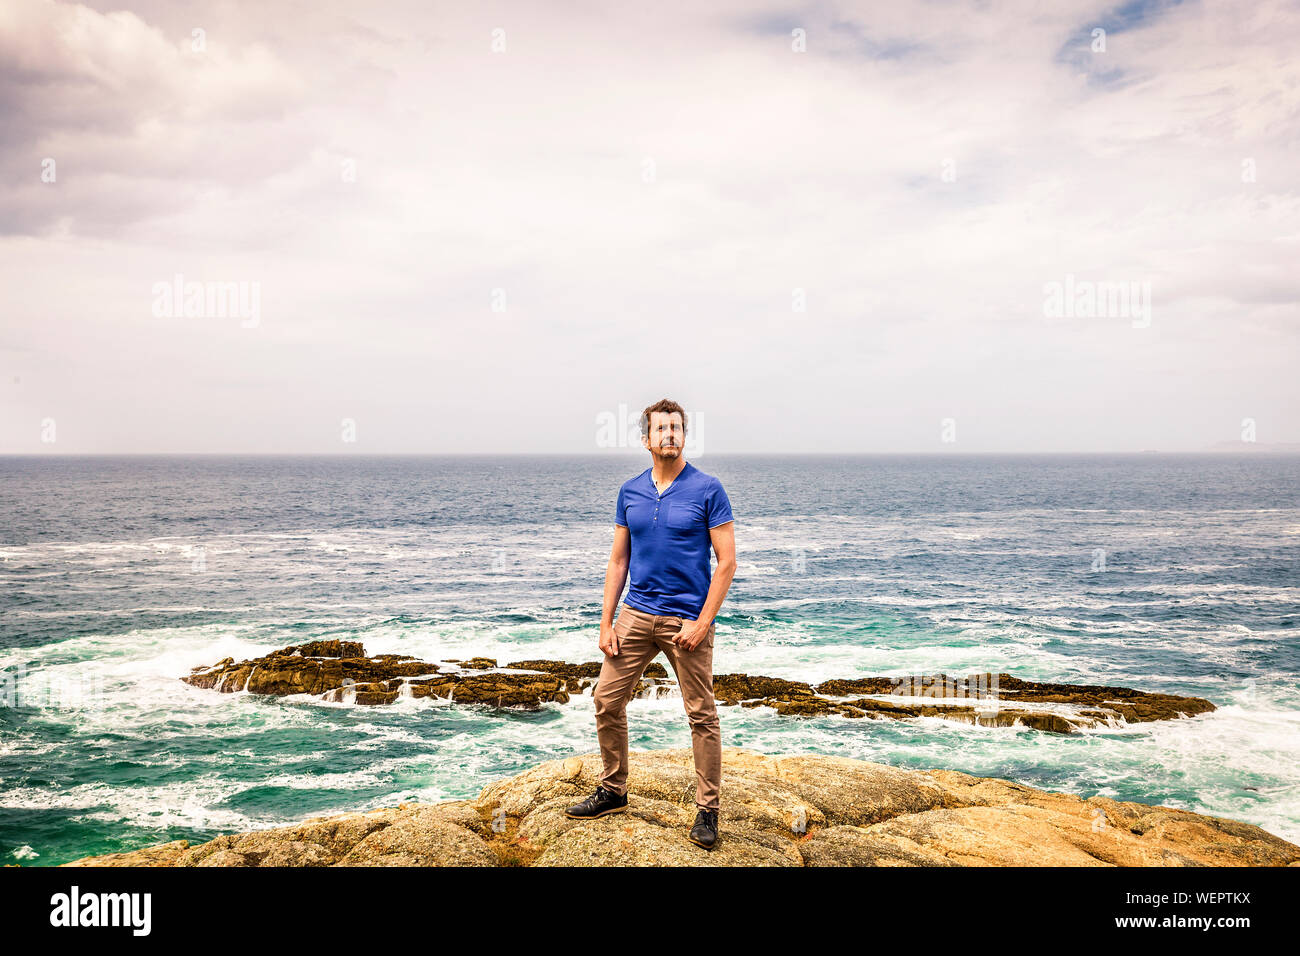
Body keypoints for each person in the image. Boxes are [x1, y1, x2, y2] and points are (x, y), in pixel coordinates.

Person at [565, 398, 737, 850]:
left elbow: (726, 563)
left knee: (701, 714)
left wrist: (702, 623)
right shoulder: (631, 492)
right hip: (636, 615)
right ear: (646, 439)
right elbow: (618, 560)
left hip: (687, 620)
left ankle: (708, 811)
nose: (669, 435)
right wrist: (606, 624)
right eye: (660, 429)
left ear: (685, 435)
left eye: (676, 428)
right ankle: (613, 790)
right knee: (605, 700)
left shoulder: (708, 488)